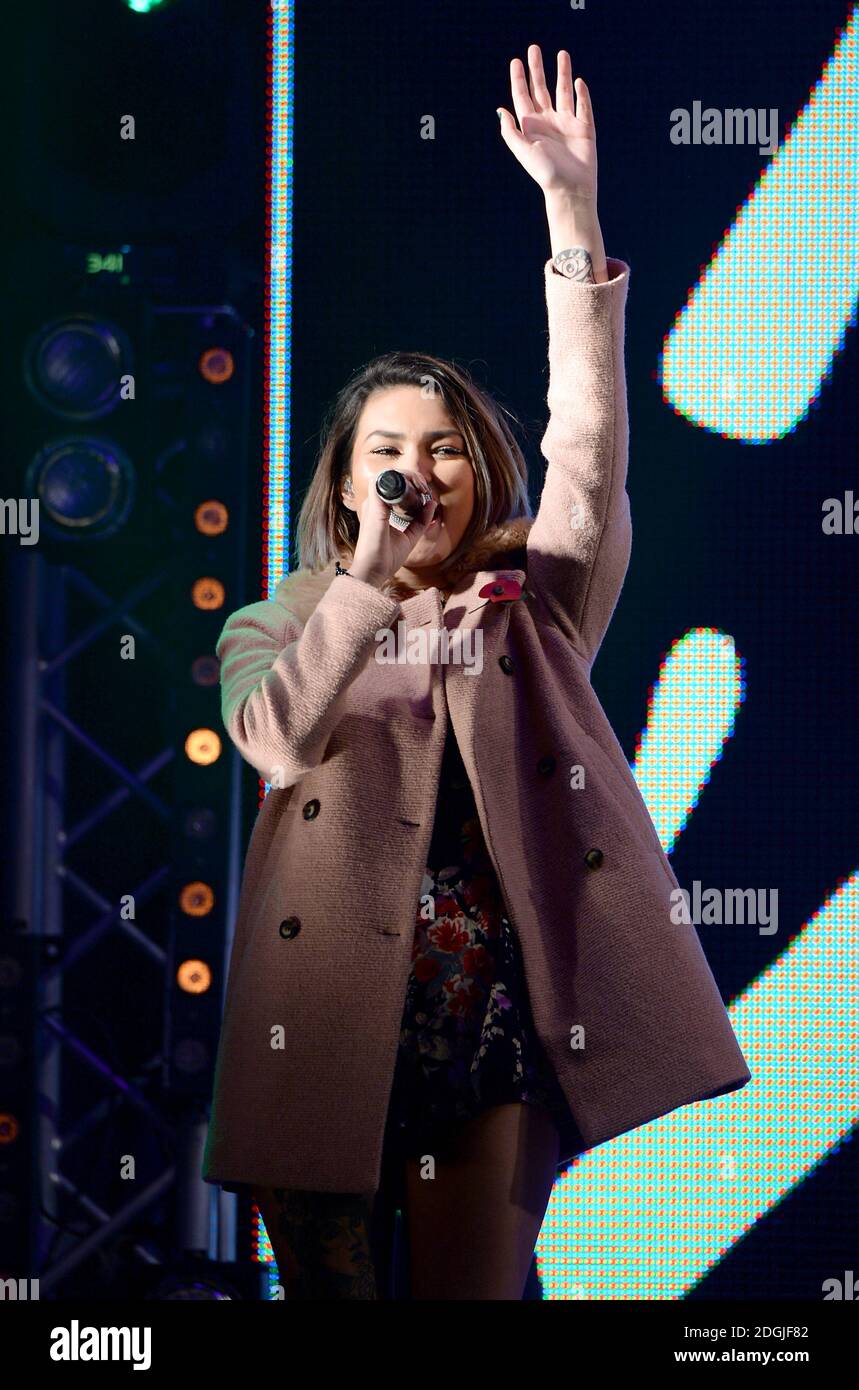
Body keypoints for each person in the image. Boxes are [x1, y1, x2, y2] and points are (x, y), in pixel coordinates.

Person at [201, 44, 752, 1300]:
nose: (420, 471)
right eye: (390, 449)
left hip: (488, 1016)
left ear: (477, 471)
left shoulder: (529, 606)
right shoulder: (277, 619)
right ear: (348, 483)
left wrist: (571, 214)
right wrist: (366, 587)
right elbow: (279, 741)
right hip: (325, 1021)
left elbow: (590, 450)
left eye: (445, 449)